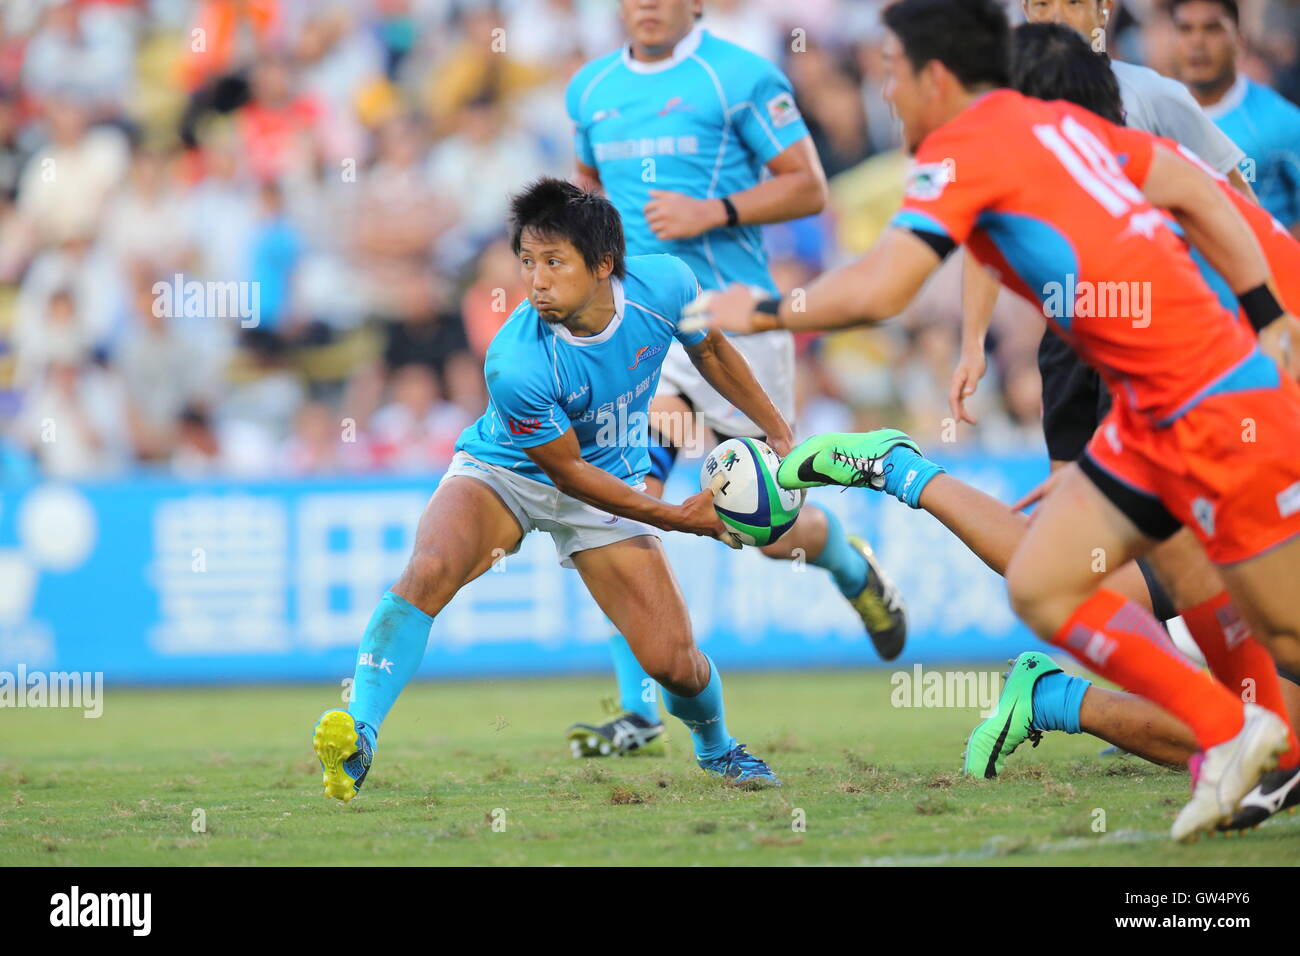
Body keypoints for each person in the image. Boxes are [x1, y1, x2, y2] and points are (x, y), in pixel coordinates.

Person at [685, 0, 1300, 842]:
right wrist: (1264, 308)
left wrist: (756, 309)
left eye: (892, 74)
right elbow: (1191, 183)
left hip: (1210, 399)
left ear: (935, 77)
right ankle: (1238, 733)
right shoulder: (1050, 125)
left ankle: (1250, 732)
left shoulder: (966, 146)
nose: (887, 94)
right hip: (1153, 410)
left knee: (1283, 636)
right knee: (1045, 584)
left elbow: (880, 290)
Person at [312, 178, 790, 799]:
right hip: (507, 473)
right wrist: (676, 517)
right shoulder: (515, 362)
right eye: (528, 262)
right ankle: (361, 737)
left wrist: (778, 431)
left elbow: (714, 353)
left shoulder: (669, 284)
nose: (535, 281)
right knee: (429, 570)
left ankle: (717, 748)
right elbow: (567, 475)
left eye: (553, 263)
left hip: (610, 480)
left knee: (673, 662)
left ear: (603, 264)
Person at [561, 0, 905, 758]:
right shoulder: (588, 91)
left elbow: (809, 186)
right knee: (628, 506)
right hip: (645, 339)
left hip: (730, 328)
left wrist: (711, 210)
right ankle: (638, 708)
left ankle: (848, 564)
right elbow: (590, 201)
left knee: (770, 530)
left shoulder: (740, 78)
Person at [1172, 0, 1300, 236]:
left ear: (1239, 41)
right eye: (1185, 29)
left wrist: (1274, 259)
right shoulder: (1151, 114)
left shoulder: (1281, 121)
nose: (1197, 42)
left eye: (1212, 28)